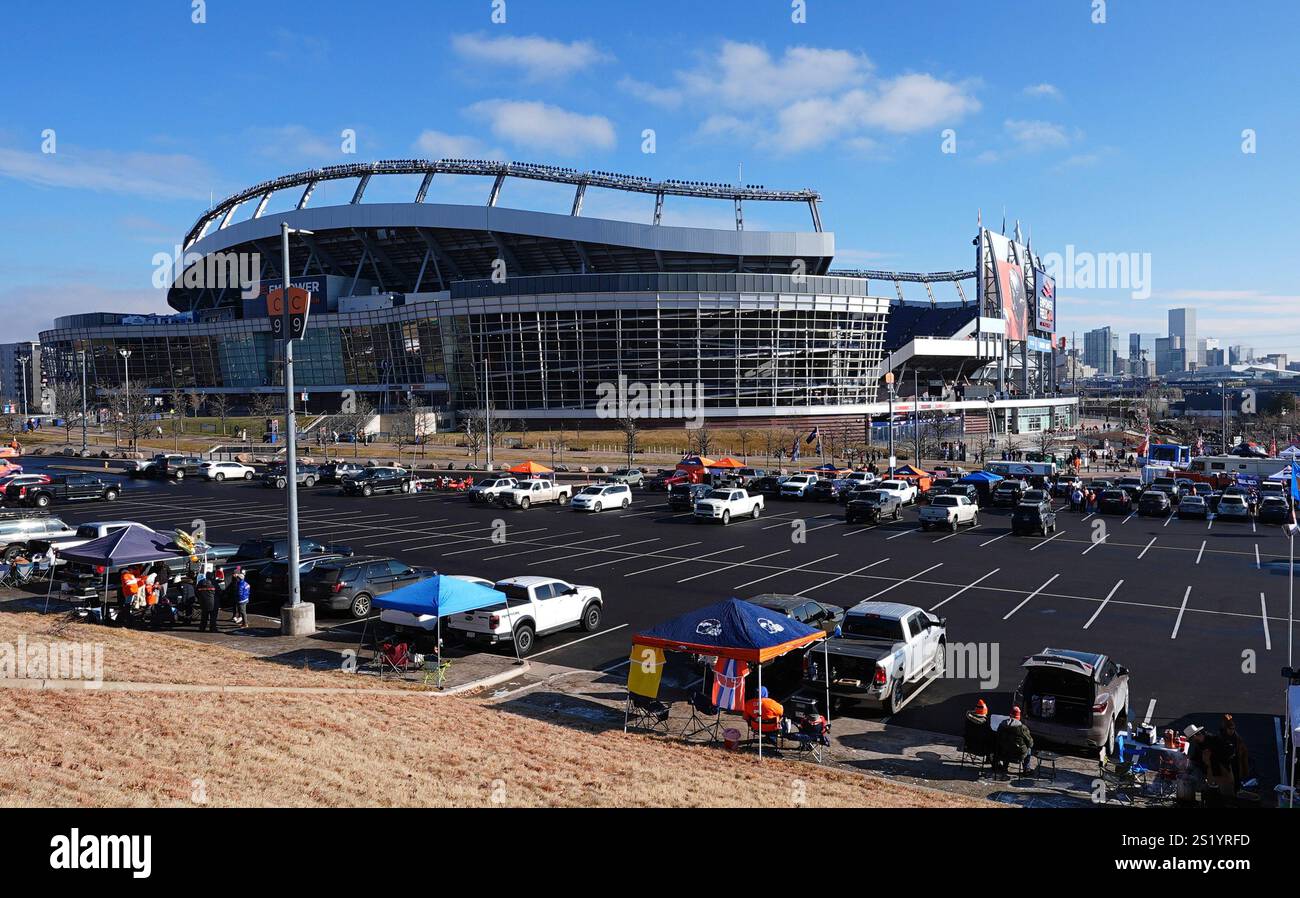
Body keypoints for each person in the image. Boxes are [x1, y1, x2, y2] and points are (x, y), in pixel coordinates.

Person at [995, 706, 1034, 775]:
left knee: (1006, 745)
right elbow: (1030, 743)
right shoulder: (1022, 728)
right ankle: (1026, 769)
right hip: (1018, 755)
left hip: (1004, 753)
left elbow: (997, 737)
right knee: (1029, 749)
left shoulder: (1002, 725)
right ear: (1019, 717)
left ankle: (1005, 767)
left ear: (1010, 715)